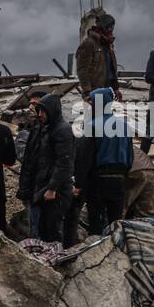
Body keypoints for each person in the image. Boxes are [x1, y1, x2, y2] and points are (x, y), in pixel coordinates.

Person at [20, 94, 74, 244]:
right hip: (43, 188)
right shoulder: (45, 129)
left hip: (56, 192)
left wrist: (52, 188)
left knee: (52, 230)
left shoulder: (62, 130)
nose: (39, 115)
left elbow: (64, 163)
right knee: (44, 229)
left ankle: (56, 261)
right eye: (38, 111)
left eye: (43, 111)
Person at [82, 88, 133, 233]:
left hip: (98, 180)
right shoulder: (124, 126)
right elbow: (130, 157)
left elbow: (86, 158)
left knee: (96, 223)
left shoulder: (91, 126)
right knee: (115, 223)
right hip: (119, 180)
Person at [14, 89, 49, 237]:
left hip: (46, 187)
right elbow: (24, 157)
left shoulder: (53, 130)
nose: (30, 108)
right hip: (33, 186)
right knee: (35, 225)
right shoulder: (29, 130)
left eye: (34, 104)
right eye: (30, 104)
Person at [64, 102, 95, 247]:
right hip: (85, 180)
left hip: (78, 182)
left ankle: (69, 245)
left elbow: (81, 163)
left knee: (71, 216)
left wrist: (78, 185)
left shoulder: (81, 137)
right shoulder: (87, 134)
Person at [76, 14, 121, 99]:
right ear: (104, 27)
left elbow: (111, 69)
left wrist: (116, 88)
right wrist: (87, 92)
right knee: (95, 112)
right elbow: (82, 70)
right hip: (94, 93)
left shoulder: (108, 45)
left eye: (112, 28)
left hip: (108, 92)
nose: (111, 30)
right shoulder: (88, 44)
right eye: (109, 27)